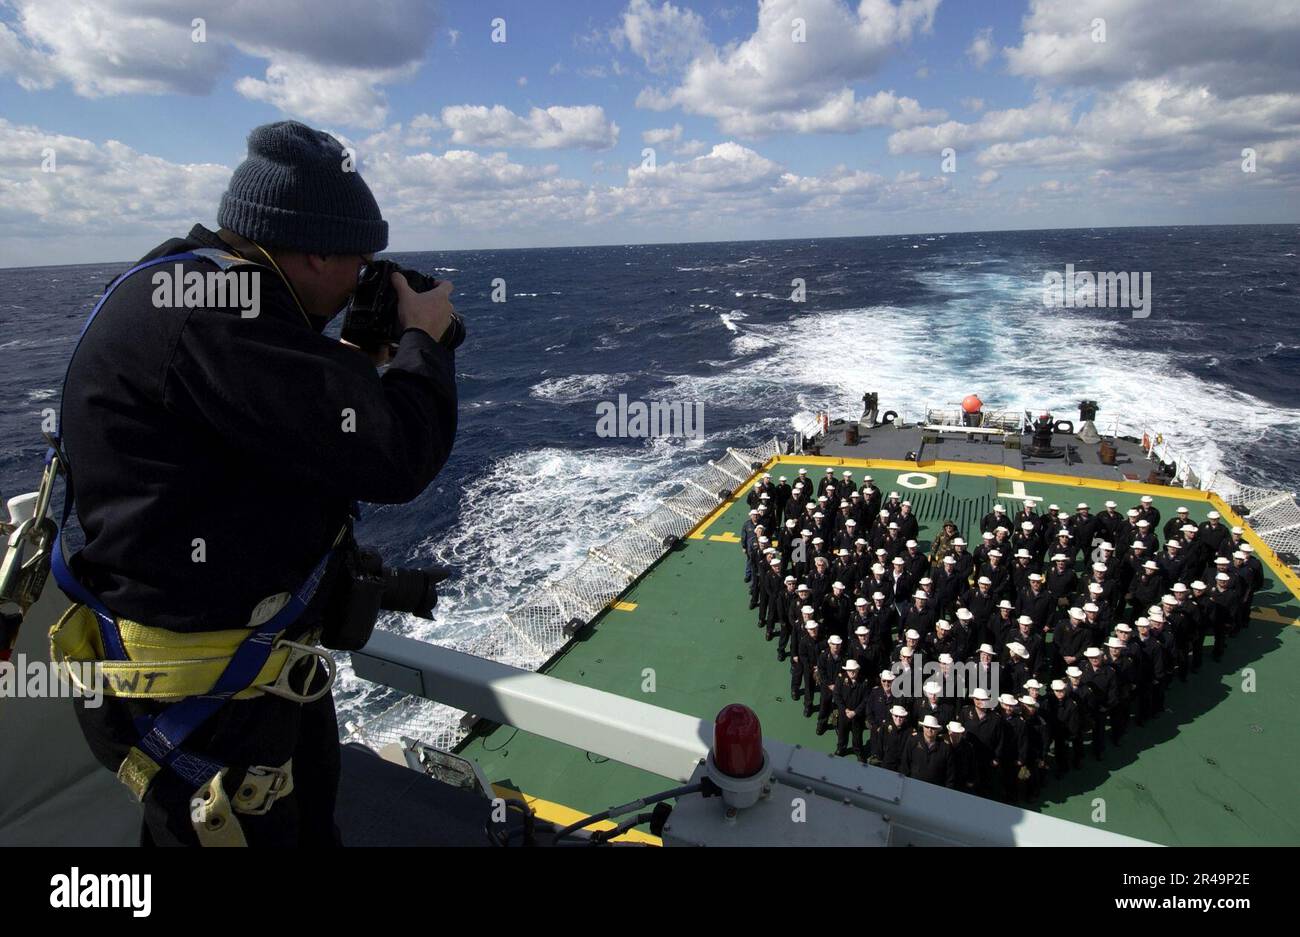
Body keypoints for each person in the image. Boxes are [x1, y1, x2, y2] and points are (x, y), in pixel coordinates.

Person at [56, 121, 460, 846]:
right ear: (310, 249)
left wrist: (354, 360)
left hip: (242, 677)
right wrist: (423, 341)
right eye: (357, 259)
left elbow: (267, 417)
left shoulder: (195, 282)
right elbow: (396, 453)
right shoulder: (217, 316)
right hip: (211, 706)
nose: (364, 276)